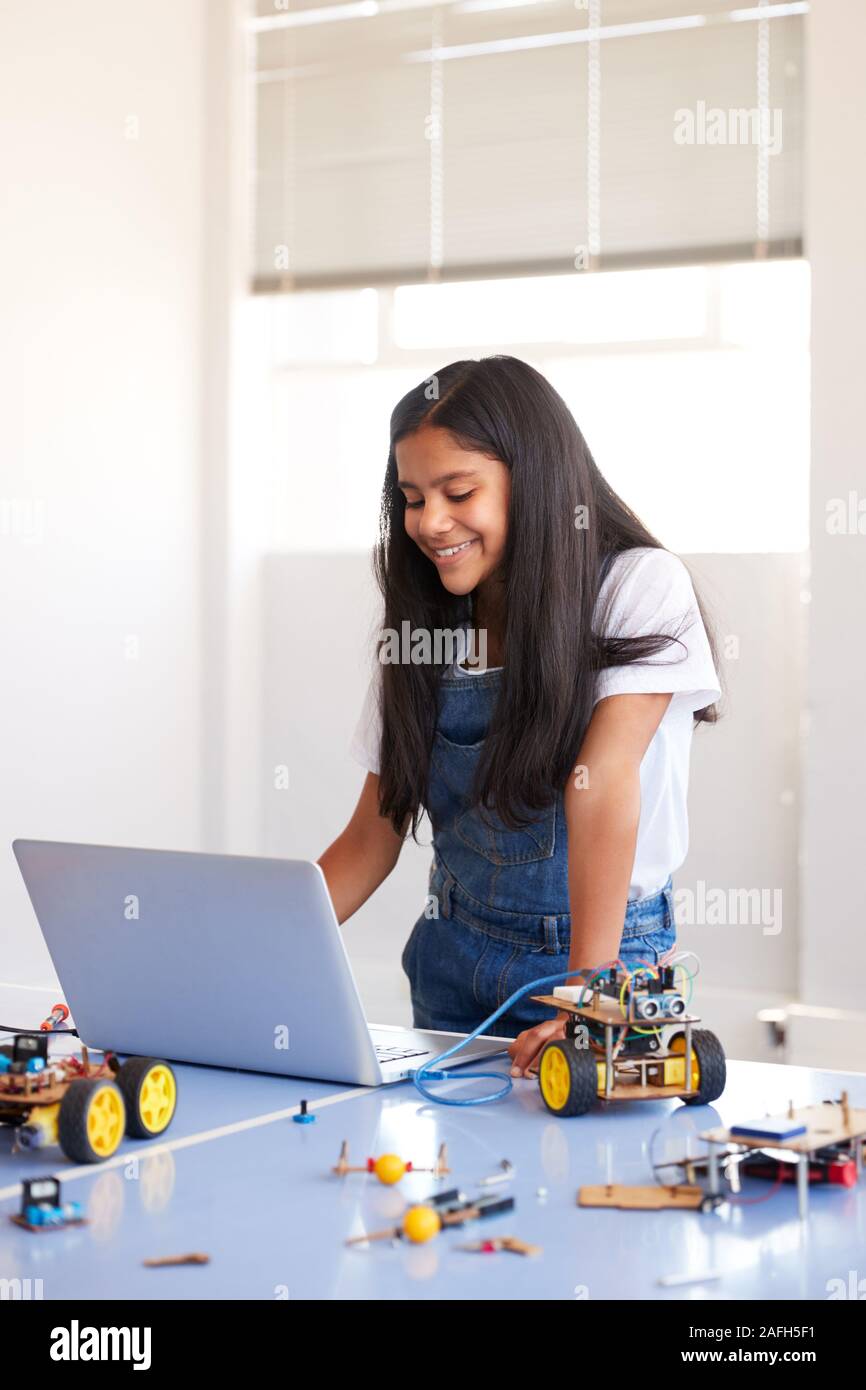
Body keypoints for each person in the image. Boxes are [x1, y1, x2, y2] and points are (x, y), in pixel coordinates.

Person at [317, 355, 721, 1079]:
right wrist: (245, 952)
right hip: (455, 959)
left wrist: (587, 997)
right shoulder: (425, 625)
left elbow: (599, 782)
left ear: (532, 481)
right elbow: (368, 840)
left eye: (458, 491)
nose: (430, 522)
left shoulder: (638, 585)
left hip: (604, 958)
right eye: (411, 498)